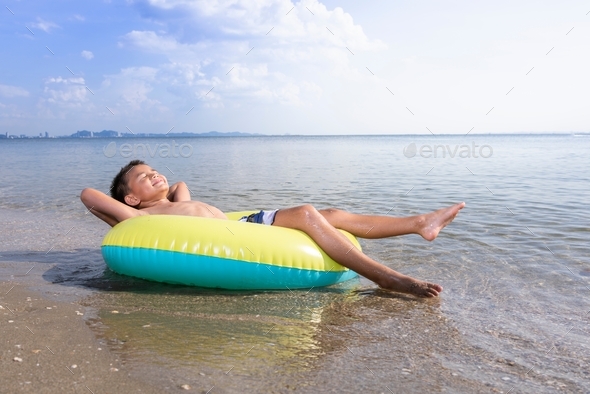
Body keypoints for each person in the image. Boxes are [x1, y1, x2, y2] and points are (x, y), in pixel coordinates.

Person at [81, 160, 465, 298]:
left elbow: (179, 185)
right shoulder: (141, 220)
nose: (154, 174)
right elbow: (90, 194)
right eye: (143, 178)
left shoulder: (176, 201)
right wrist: (126, 208)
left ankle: (420, 223)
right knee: (307, 211)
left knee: (328, 212)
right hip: (233, 238)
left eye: (154, 169)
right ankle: (387, 277)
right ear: (128, 200)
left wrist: (154, 186)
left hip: (246, 225)